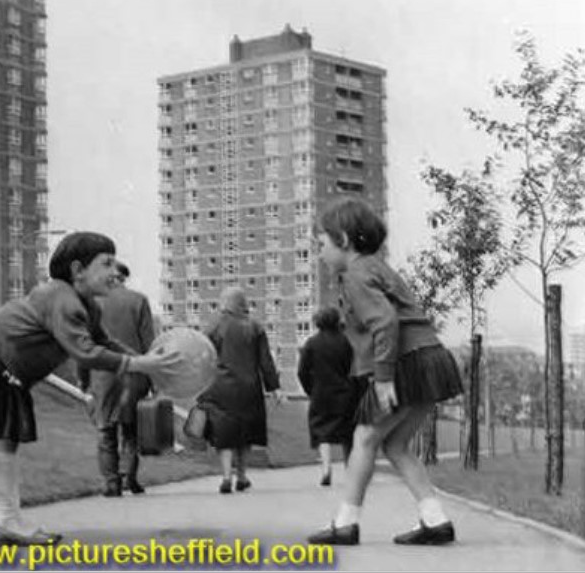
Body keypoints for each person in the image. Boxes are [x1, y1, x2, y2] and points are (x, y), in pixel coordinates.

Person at [0, 232, 181, 547]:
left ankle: (8, 521)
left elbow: (103, 342)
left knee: (7, 441)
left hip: (6, 366)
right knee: (7, 440)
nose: (116, 272)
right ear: (78, 270)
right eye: (107, 264)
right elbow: (86, 352)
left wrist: (143, 359)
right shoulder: (63, 299)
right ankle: (8, 521)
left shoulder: (86, 305)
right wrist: (139, 365)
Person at [307, 198, 464, 547]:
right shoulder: (375, 267)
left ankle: (346, 524)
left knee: (364, 438)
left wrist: (383, 377)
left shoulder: (356, 274)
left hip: (405, 363)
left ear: (343, 240)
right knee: (395, 444)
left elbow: (384, 322)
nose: (319, 253)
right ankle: (435, 520)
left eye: (321, 245)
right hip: (427, 357)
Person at [80, 261, 156, 497]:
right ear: (124, 278)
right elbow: (149, 345)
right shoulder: (139, 301)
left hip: (102, 375)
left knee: (105, 430)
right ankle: (128, 478)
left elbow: (82, 345)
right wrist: (153, 379)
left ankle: (112, 482)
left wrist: (83, 380)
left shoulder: (91, 304)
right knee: (131, 430)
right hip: (134, 372)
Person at [197, 287, 280, 494]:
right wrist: (274, 387)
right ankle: (241, 476)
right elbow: (265, 361)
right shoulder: (255, 327)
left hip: (220, 387)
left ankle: (226, 477)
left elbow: (202, 355)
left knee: (224, 433)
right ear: (243, 303)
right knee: (244, 434)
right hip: (248, 387)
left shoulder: (213, 325)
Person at [297, 306, 359, 487]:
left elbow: (302, 371)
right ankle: (351, 470)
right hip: (344, 392)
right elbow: (349, 366)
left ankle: (326, 469)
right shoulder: (345, 342)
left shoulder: (311, 343)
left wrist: (310, 389)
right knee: (348, 433)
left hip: (320, 392)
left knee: (321, 432)